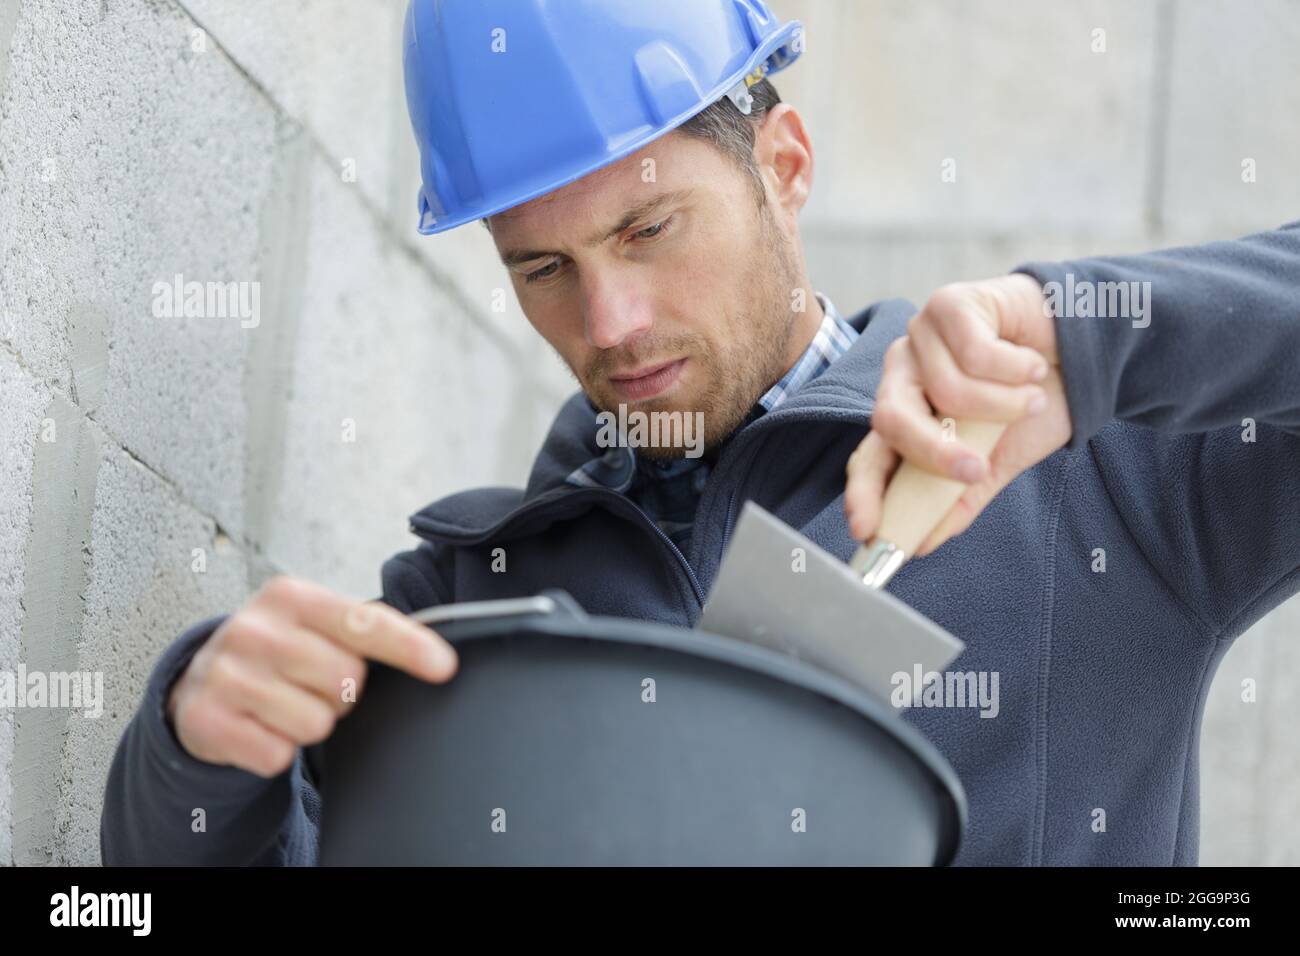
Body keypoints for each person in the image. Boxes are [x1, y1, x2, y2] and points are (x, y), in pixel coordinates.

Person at [101, 0, 1300, 866]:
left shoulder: (1086, 487)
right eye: (543, 267)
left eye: (647, 229)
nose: (610, 322)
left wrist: (1087, 334)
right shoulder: (452, 617)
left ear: (783, 167)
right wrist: (194, 759)